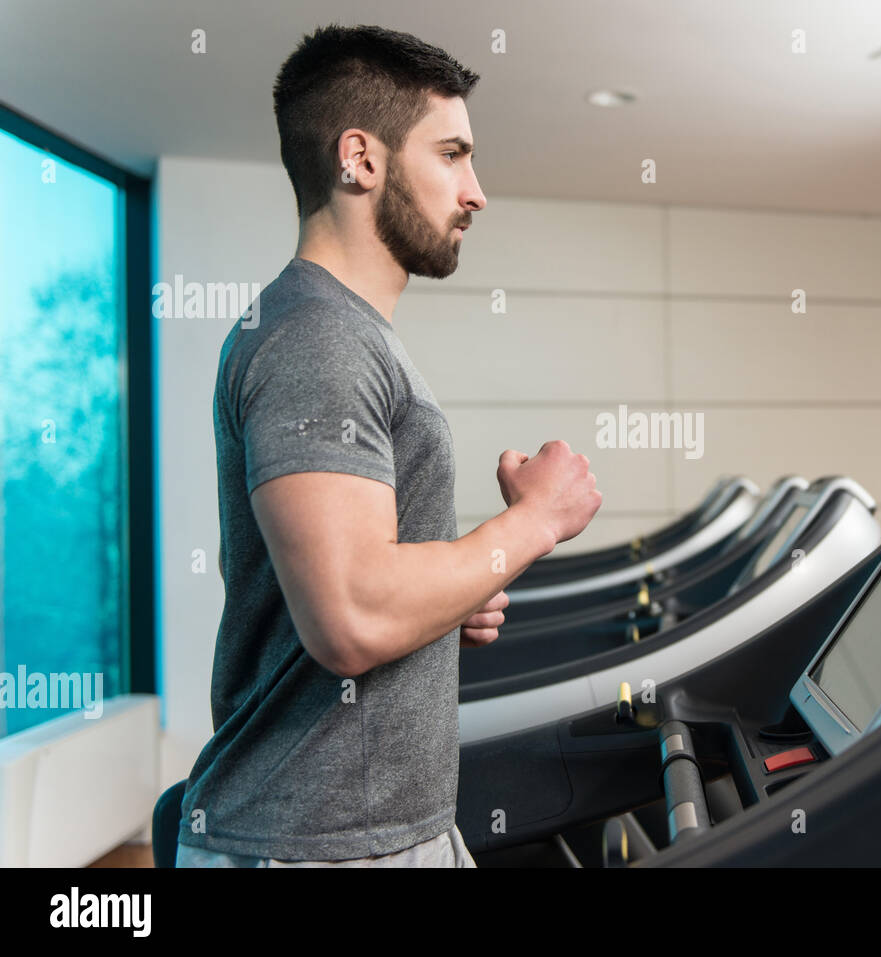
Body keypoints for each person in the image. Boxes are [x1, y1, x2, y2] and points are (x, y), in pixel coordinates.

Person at [175, 23, 601, 867]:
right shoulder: (317, 342)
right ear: (360, 159)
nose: (476, 192)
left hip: (369, 831)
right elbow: (349, 614)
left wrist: (447, 598)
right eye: (452, 154)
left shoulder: (342, 333)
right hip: (315, 843)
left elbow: (340, 584)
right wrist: (537, 523)